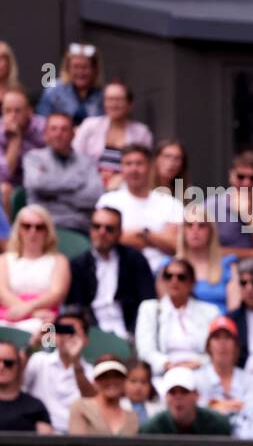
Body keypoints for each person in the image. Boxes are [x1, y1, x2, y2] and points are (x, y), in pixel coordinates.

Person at [65, 204, 156, 339]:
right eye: (97, 226)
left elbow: (148, 302)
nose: (102, 232)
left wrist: (138, 333)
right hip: (92, 334)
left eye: (109, 229)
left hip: (131, 333)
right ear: (90, 229)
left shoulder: (135, 260)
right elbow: (76, 306)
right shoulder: (78, 265)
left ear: (119, 233)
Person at [95, 143, 181, 269]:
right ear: (121, 169)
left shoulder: (171, 204)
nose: (134, 169)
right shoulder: (108, 201)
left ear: (151, 167)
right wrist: (157, 238)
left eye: (139, 163)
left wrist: (144, 233)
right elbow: (105, 239)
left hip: (162, 274)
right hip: (118, 270)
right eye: (128, 164)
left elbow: (176, 245)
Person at [134, 257, 221, 378]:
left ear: (192, 283)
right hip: (163, 373)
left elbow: (217, 350)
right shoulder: (149, 309)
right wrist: (167, 365)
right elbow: (145, 350)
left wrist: (198, 363)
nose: (174, 281)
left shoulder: (210, 311)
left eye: (181, 277)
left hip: (202, 371)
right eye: (169, 276)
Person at [22, 114, 102, 235]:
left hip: (79, 227)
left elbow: (94, 196)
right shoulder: (33, 158)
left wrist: (52, 196)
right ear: (46, 133)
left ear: (73, 134)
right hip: (41, 227)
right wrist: (74, 184)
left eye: (64, 129)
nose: (58, 134)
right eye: (53, 129)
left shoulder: (86, 162)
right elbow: (36, 184)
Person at [22, 306, 95, 433]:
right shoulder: (39, 360)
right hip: (40, 433)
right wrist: (32, 345)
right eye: (62, 330)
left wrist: (76, 362)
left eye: (71, 331)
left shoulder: (91, 371)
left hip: (76, 435)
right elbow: (10, 377)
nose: (66, 336)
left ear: (85, 340)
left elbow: (91, 402)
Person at [0, 206, 70, 336]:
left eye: (39, 227)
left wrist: (28, 309)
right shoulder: (4, 259)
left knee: (47, 339)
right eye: (27, 226)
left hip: (46, 320)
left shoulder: (59, 260)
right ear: (19, 229)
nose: (33, 232)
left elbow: (57, 293)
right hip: (8, 317)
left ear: (47, 231)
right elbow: (2, 292)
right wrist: (33, 312)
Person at [72, 82, 153, 186]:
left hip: (126, 187)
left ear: (130, 104)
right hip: (88, 184)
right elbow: (75, 159)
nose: (114, 104)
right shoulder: (89, 125)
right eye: (109, 99)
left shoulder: (141, 132)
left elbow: (144, 166)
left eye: (119, 100)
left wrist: (121, 179)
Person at [205, 150, 253, 257]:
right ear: (231, 176)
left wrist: (249, 218)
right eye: (241, 177)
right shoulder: (211, 207)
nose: (247, 183)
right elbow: (202, 252)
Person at [175, 204, 236, 312]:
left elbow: (235, 311)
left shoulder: (227, 266)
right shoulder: (169, 268)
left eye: (201, 225)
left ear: (211, 231)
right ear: (183, 231)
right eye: (189, 225)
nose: (195, 230)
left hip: (220, 326)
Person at [139, 365, 232, 434]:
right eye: (172, 392)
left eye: (184, 392)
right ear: (165, 397)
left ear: (196, 395)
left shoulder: (217, 425)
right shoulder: (151, 429)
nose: (178, 398)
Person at [197, 315, 253, 415]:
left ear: (236, 346)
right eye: (217, 337)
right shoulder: (197, 379)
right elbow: (198, 413)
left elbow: (252, 411)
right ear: (208, 346)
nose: (222, 343)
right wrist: (237, 405)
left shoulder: (250, 380)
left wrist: (215, 405)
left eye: (227, 337)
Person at [68, 354, 139, 435]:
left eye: (117, 375)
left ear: (124, 380)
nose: (111, 381)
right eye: (104, 376)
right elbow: (77, 444)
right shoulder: (80, 408)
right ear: (95, 381)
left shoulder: (132, 418)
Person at [35, 44, 103, 125]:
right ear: (67, 68)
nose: (80, 72)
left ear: (95, 70)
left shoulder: (103, 95)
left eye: (85, 67)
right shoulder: (53, 91)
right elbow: (41, 122)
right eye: (76, 67)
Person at [1, 89, 44, 216]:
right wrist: (15, 139)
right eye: (8, 111)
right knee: (3, 190)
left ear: (29, 111)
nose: (12, 116)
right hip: (14, 186)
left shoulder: (45, 128)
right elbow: (3, 175)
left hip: (42, 183)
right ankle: (8, 235)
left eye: (17, 110)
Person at [0, 338, 51, 432]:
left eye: (8, 363)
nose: (1, 367)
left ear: (19, 366)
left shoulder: (35, 407)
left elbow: (48, 441)